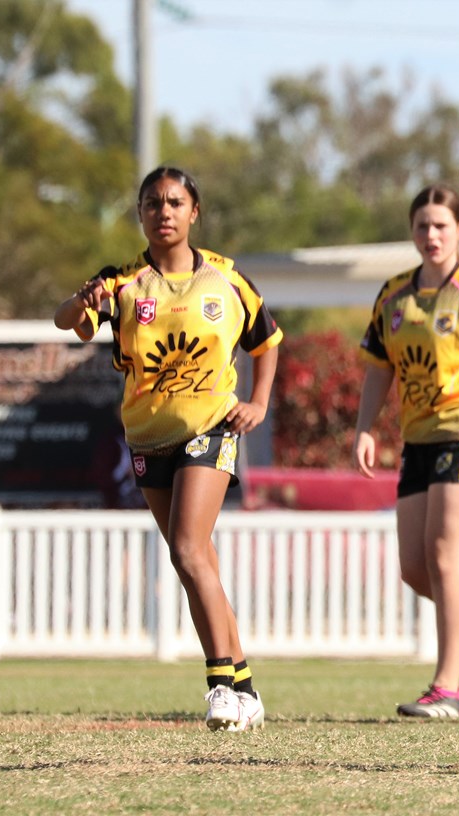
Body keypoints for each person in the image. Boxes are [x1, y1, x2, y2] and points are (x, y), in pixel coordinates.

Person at [54, 166, 281, 732]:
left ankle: (221, 686)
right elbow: (69, 322)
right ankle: (248, 687)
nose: (164, 211)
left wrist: (258, 402)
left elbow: (268, 340)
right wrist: (79, 304)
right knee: (197, 561)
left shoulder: (226, 278)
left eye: (175, 202)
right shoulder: (124, 282)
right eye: (152, 203)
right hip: (148, 435)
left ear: (194, 211)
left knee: (186, 549)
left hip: (210, 427)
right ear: (140, 214)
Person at [355, 184, 459, 719]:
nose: (431, 234)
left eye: (441, 225)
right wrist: (365, 428)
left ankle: (447, 689)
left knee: (447, 556)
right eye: (422, 225)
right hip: (419, 439)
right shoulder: (394, 295)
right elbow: (379, 367)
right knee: (417, 569)